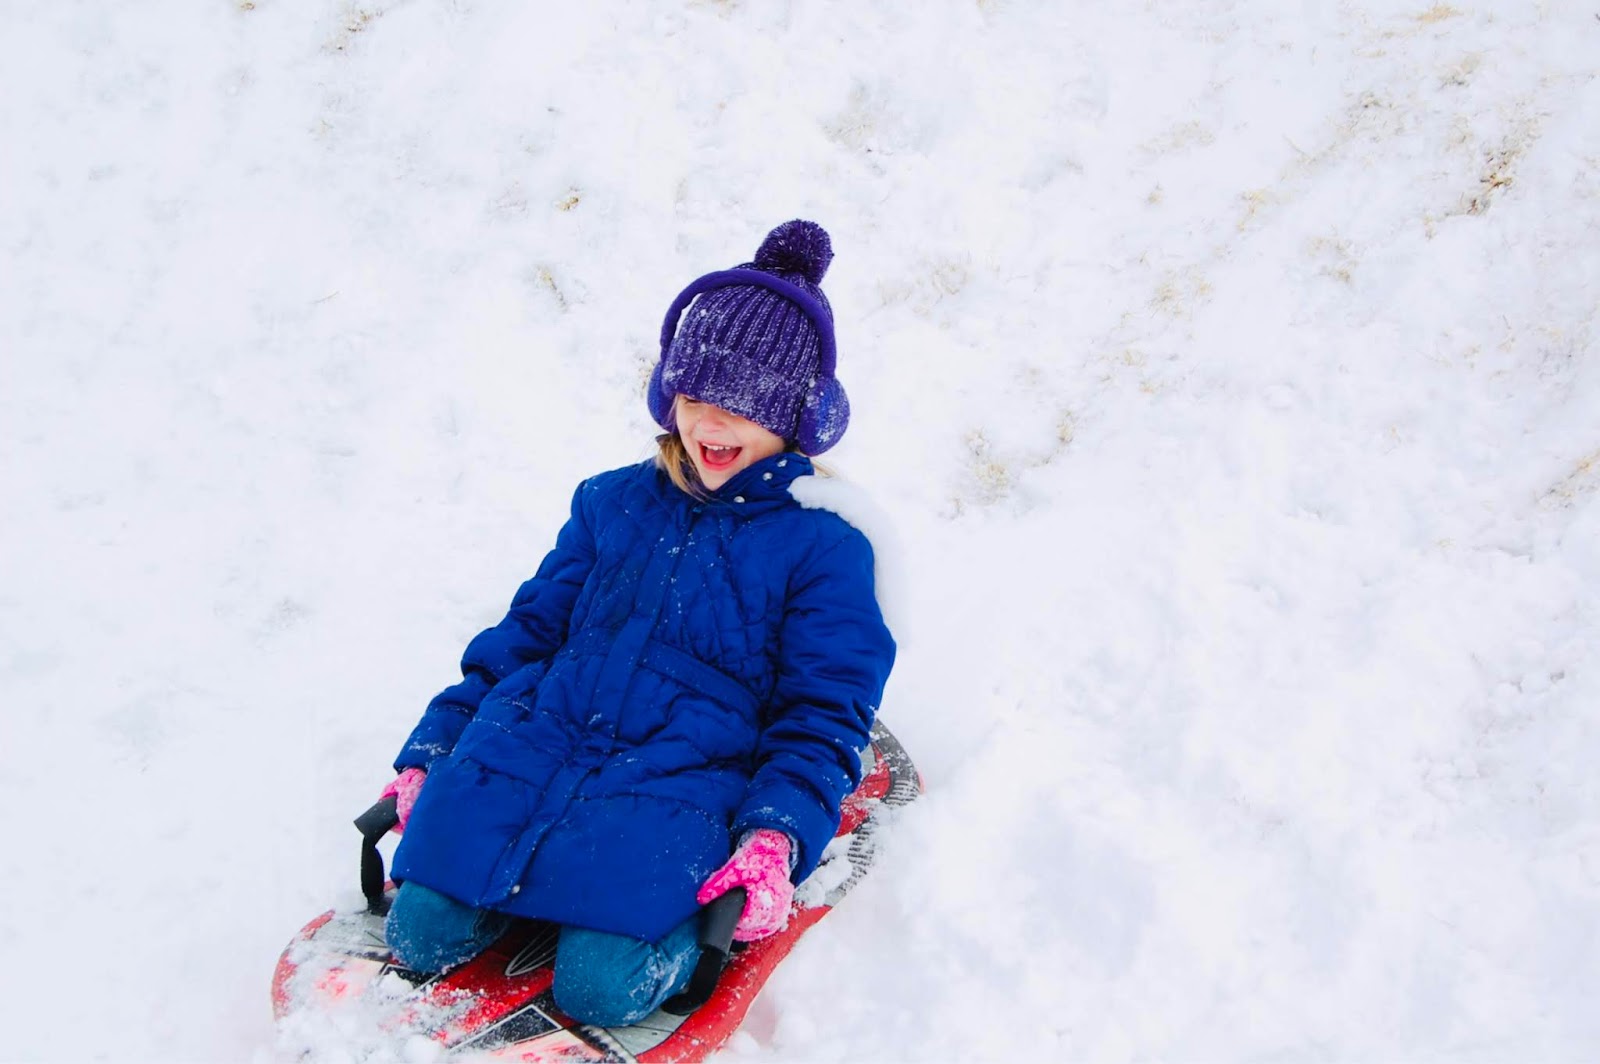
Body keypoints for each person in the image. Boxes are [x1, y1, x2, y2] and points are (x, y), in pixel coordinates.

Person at [377, 219, 896, 1027]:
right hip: (540, 737)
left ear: (793, 419)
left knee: (600, 986)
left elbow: (822, 711)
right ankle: (521, 888)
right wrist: (434, 748)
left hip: (688, 771)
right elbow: (524, 638)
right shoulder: (611, 501)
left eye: (742, 407)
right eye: (694, 397)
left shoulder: (823, 544)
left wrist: (776, 836)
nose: (710, 427)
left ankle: (664, 931)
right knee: (421, 930)